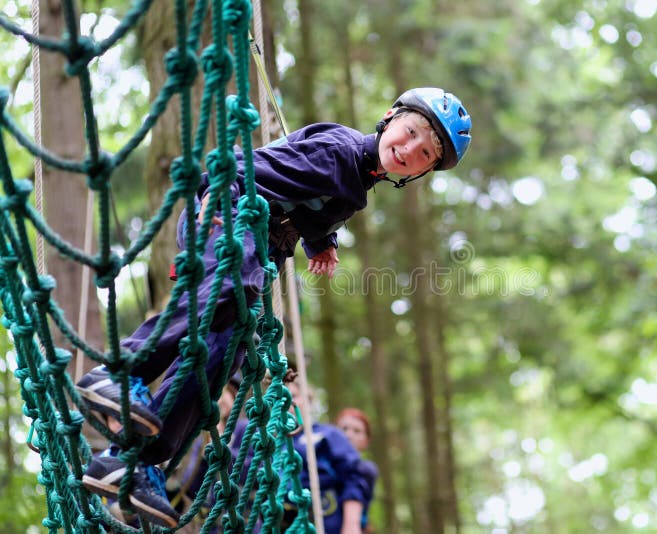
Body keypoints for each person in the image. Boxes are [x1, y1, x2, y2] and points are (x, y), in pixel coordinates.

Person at [75, 87, 472, 528]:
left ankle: (133, 462)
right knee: (234, 288)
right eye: (411, 131)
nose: (410, 149)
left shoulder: (358, 176)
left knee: (222, 355)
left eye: (425, 154)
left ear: (424, 171)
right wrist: (223, 210)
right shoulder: (339, 154)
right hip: (231, 214)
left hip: (255, 243)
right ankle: (122, 370)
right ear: (390, 117)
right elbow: (247, 169)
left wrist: (323, 241)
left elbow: (309, 203)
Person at [282, 379, 370, 534]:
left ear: (308, 400)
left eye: (294, 395)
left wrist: (352, 524)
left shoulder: (327, 435)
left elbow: (353, 477)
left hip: (323, 522)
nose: (286, 400)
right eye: (279, 396)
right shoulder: (268, 443)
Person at [335, 408, 379, 533]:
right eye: (344, 429)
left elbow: (353, 492)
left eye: (357, 431)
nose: (348, 435)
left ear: (366, 441)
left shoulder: (365, 470)